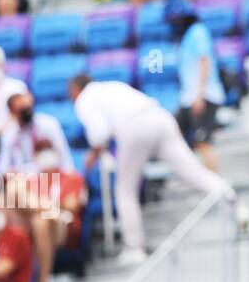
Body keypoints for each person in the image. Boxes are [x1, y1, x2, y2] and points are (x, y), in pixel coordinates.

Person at [69, 75, 236, 266]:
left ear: (76, 88)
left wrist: (93, 155)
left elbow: (99, 134)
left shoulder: (85, 99)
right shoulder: (112, 85)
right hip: (159, 118)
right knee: (194, 172)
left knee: (125, 191)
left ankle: (134, 248)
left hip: (133, 128)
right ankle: (233, 202)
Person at [0, 90, 78, 282]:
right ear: (12, 112)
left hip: (49, 212)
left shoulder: (48, 125)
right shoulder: (10, 135)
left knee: (40, 221)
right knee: (12, 190)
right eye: (20, 108)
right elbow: (2, 171)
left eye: (28, 106)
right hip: (27, 199)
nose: (26, 111)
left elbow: (65, 160)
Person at [167, 0, 226, 171]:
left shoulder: (198, 32)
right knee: (180, 139)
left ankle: (217, 185)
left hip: (204, 95)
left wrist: (199, 95)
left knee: (203, 142)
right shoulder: (184, 37)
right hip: (189, 97)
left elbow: (204, 62)